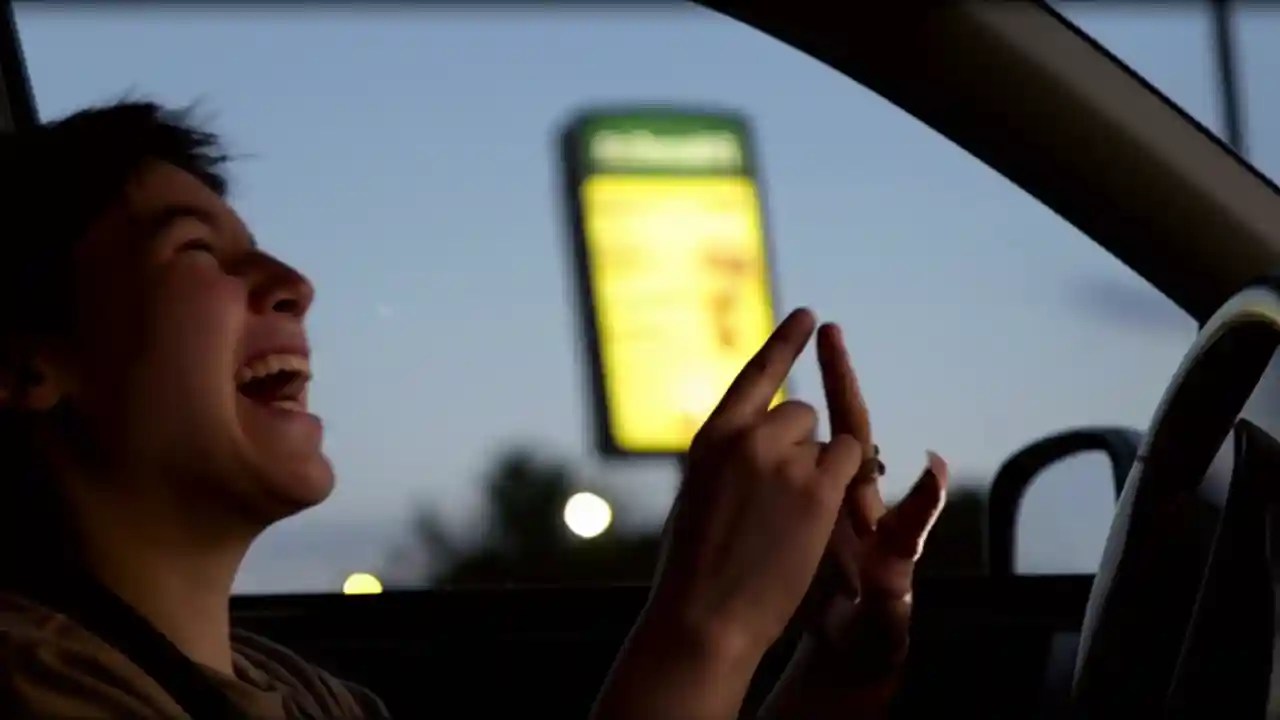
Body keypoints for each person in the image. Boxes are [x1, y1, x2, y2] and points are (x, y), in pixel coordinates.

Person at [0, 101, 947, 719]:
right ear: (30, 366)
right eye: (197, 252)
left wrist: (836, 667)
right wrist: (711, 626)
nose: (292, 283)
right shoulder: (39, 684)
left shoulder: (312, 700)